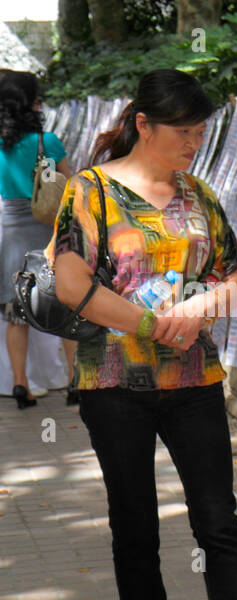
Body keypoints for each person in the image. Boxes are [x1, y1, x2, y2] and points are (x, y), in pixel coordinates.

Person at [50, 69, 237, 600]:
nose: (194, 142)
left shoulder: (198, 195)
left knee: (219, 523)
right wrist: (152, 323)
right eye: (184, 130)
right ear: (144, 124)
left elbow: (234, 278)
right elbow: (70, 285)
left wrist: (200, 309)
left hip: (193, 379)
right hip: (113, 382)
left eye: (201, 131)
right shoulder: (89, 192)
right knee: (135, 525)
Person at [0, 69, 76, 409]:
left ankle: (20, 385)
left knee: (16, 314)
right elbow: (68, 187)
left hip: (8, 236)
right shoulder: (47, 143)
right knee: (63, 310)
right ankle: (75, 381)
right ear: (31, 103)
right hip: (46, 233)